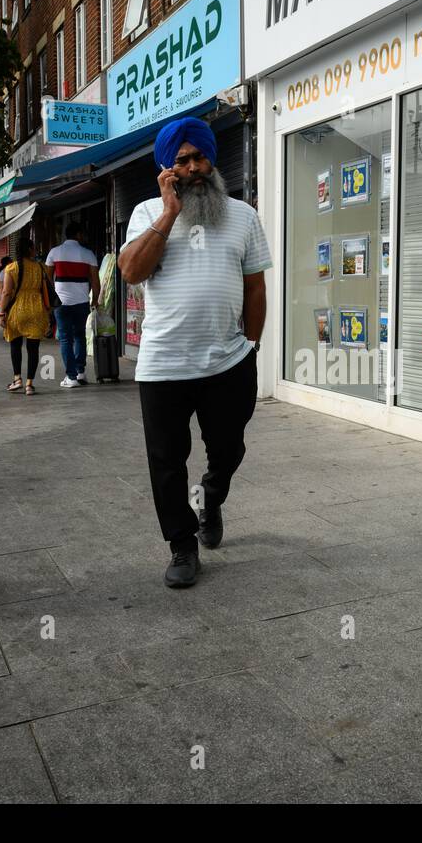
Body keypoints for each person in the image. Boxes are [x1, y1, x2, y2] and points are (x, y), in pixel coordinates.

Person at [117, 117, 271, 588]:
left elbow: (255, 287)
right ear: (168, 169)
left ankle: (211, 494)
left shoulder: (243, 215)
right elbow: (130, 272)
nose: (193, 167)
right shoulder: (146, 214)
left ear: (212, 160)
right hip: (163, 364)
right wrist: (168, 215)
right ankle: (182, 545)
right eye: (181, 160)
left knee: (229, 446)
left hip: (228, 360)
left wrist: (253, 345)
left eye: (199, 156)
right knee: (166, 461)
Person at [44, 223, 99, 387]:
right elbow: (95, 281)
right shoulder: (88, 254)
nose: (85, 237)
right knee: (80, 336)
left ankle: (71, 377)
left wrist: (49, 303)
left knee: (66, 339)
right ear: (78, 234)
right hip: (82, 303)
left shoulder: (54, 252)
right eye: (83, 234)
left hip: (61, 304)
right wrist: (95, 300)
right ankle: (80, 373)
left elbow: (47, 280)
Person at [0, 238, 50, 396]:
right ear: (29, 249)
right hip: (36, 309)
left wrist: (2, 313)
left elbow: (7, 293)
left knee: (15, 344)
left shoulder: (11, 268)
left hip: (17, 311)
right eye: (34, 247)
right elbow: (46, 290)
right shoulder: (40, 267)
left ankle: (17, 379)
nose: (35, 250)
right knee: (33, 349)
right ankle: (29, 384)